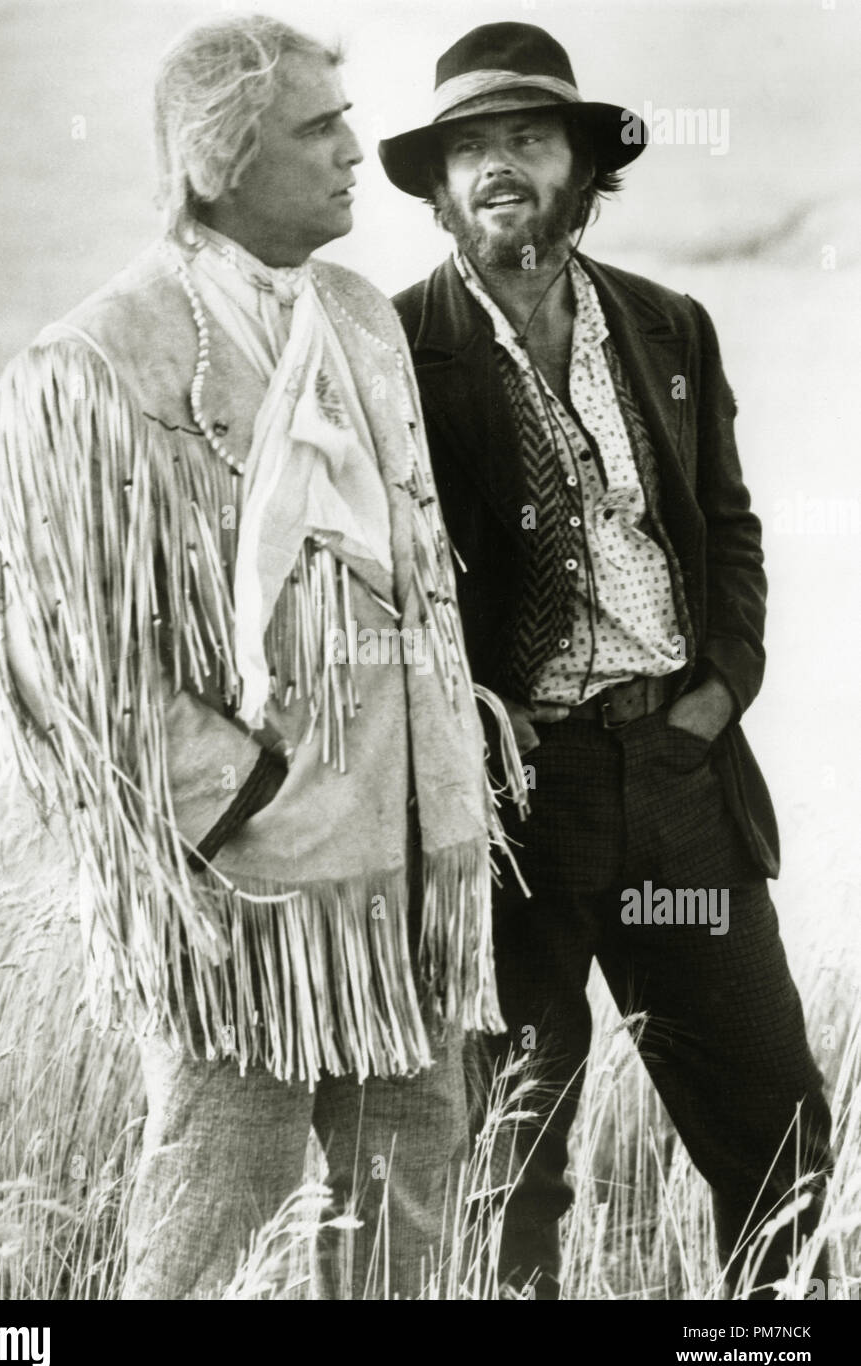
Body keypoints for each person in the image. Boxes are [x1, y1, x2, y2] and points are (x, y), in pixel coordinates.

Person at [0, 15, 523, 1301]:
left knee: (407, 1203)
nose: (354, 150)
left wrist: (445, 759)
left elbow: (412, 571)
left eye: (345, 120)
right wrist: (242, 811)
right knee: (218, 1204)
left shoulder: (357, 318)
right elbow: (83, 663)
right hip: (245, 897)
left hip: (406, 872)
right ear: (217, 163)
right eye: (318, 129)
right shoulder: (95, 363)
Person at [381, 20, 832, 1299]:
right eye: (466, 148)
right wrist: (458, 726)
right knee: (506, 1158)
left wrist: (714, 695)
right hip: (509, 813)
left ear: (582, 166)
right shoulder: (390, 351)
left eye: (525, 137)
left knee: (777, 1132)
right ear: (435, 186)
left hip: (680, 785)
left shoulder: (667, 327)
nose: (495, 168)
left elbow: (728, 528)